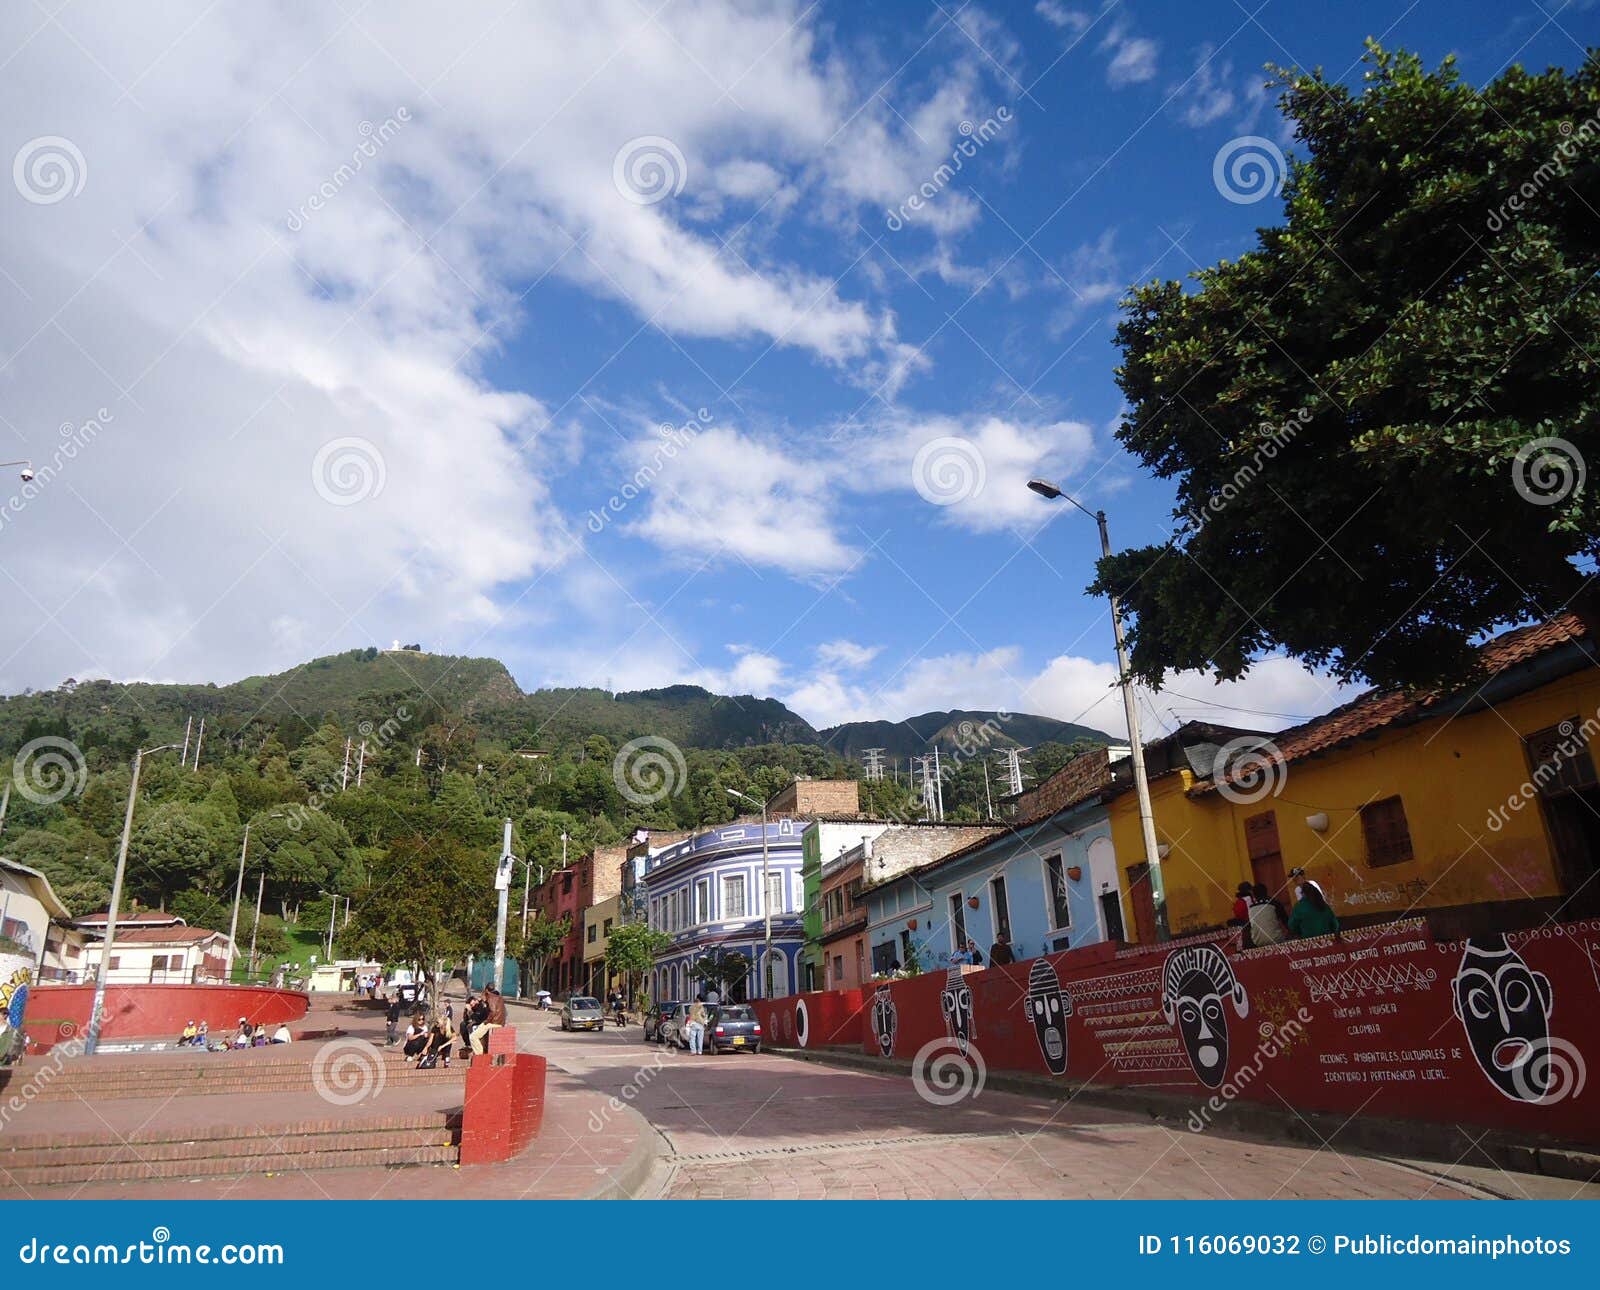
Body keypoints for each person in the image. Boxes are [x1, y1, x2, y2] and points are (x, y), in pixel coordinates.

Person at [471, 986, 506, 1054]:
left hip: (494, 1023)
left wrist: (486, 1021)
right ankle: (481, 1051)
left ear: (486, 992)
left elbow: (492, 1011)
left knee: (473, 1037)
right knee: (479, 1028)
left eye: (482, 996)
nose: (482, 999)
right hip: (499, 1022)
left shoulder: (490, 999)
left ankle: (479, 1054)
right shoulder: (498, 997)